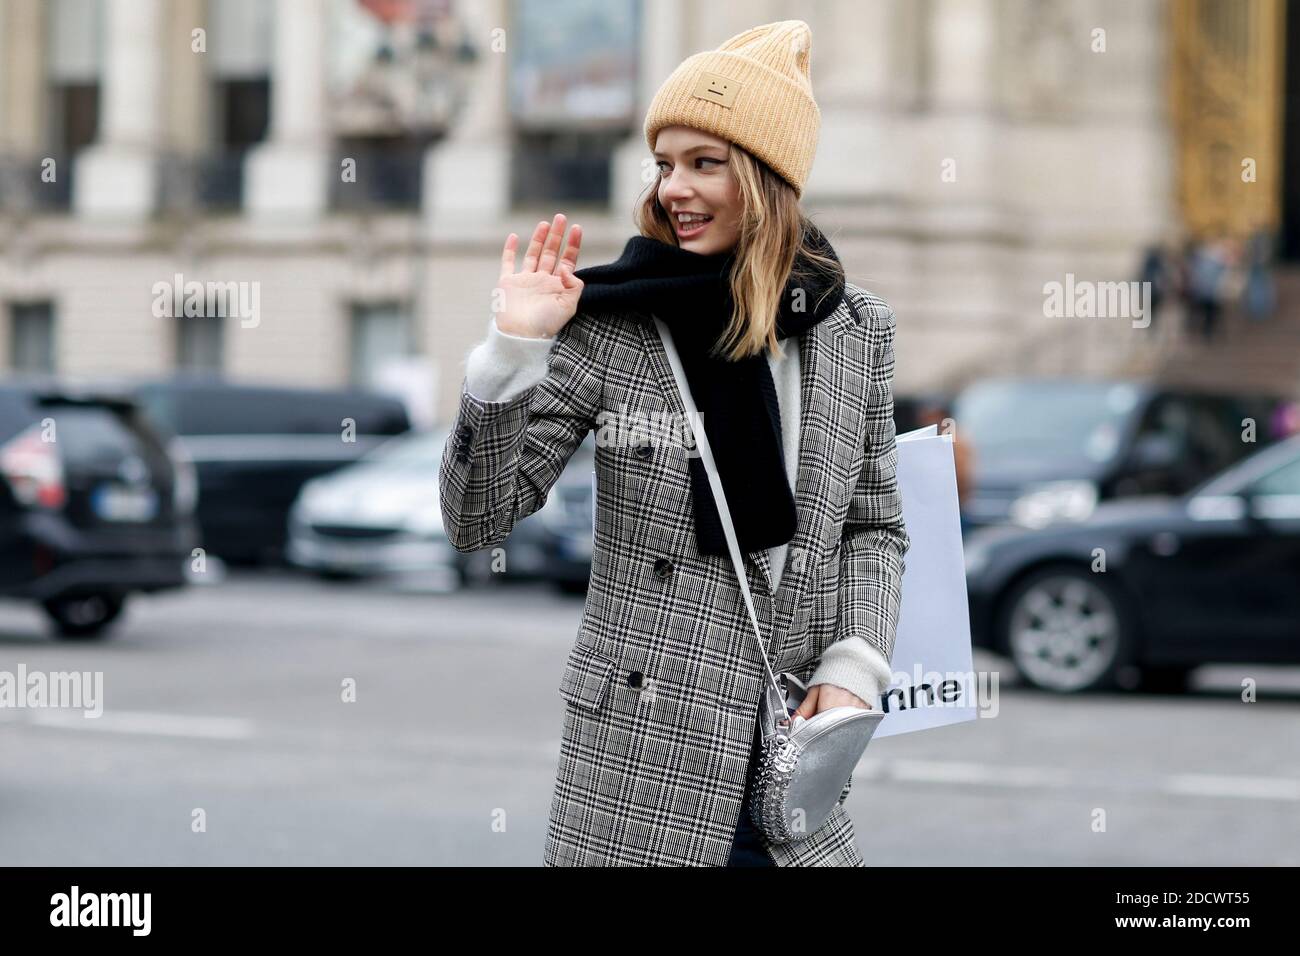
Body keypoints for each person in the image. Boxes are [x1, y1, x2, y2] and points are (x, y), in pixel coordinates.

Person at [438, 20, 909, 867]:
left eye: (705, 163)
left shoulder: (853, 327)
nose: (673, 190)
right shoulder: (613, 324)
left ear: (768, 178)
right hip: (640, 774)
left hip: (790, 765)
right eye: (664, 163)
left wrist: (857, 664)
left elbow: (874, 527)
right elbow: (476, 519)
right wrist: (511, 356)